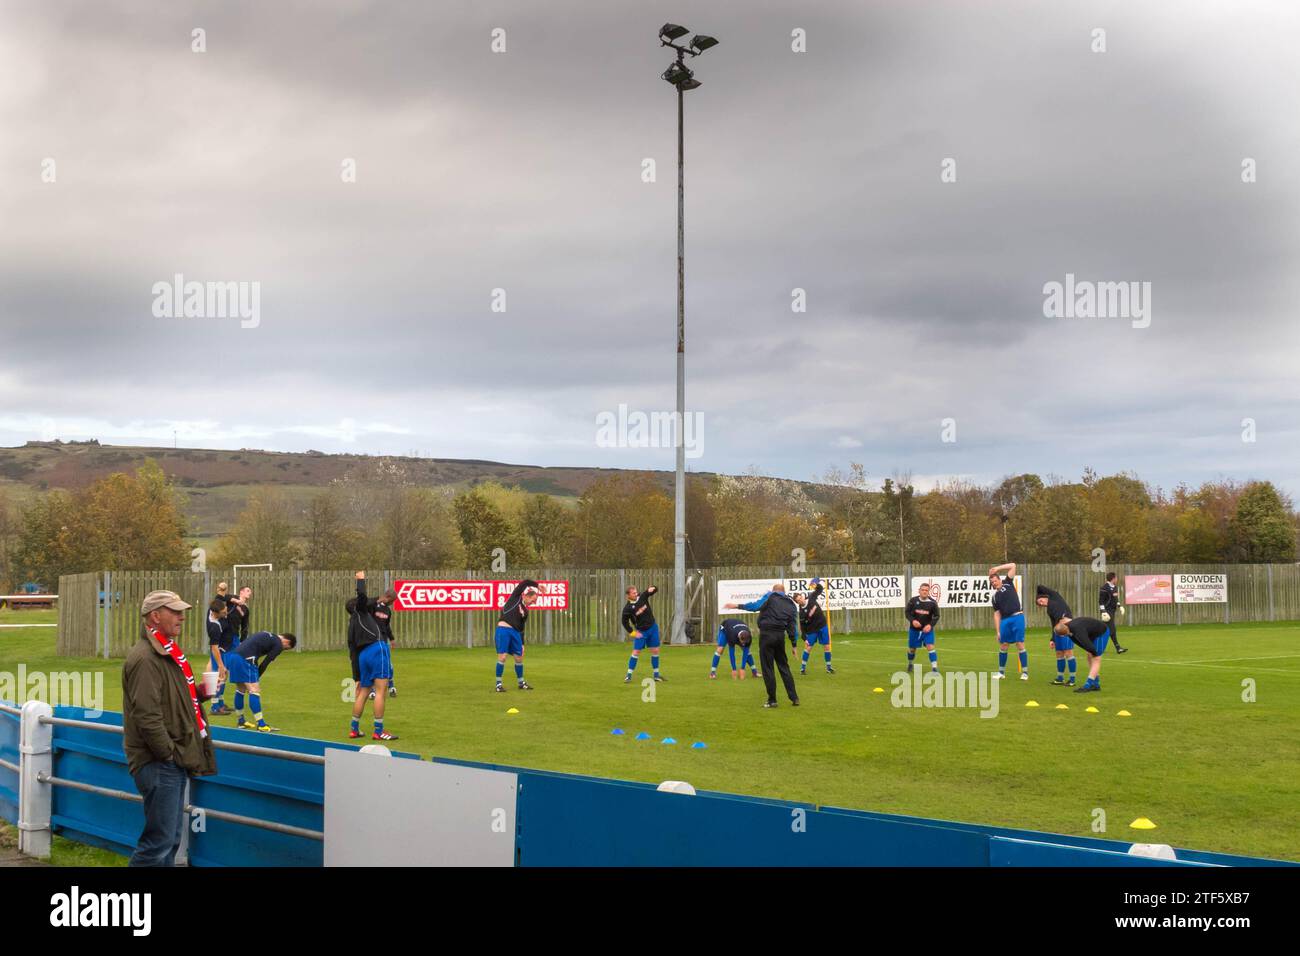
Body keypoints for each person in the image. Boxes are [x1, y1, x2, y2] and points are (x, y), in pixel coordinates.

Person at [122, 590, 217, 866]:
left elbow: (169, 700)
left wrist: (199, 693)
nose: (181, 617)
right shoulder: (147, 658)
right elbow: (147, 715)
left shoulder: (165, 652)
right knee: (158, 843)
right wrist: (169, 754)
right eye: (174, 612)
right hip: (159, 761)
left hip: (168, 759)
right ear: (155, 616)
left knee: (169, 840)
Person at [725, 583, 800, 709]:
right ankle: (794, 697)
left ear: (774, 590)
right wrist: (794, 644)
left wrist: (737, 605)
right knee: (784, 667)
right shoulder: (791, 603)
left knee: (768, 668)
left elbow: (755, 606)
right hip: (780, 636)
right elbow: (792, 626)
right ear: (784, 591)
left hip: (767, 635)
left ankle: (772, 700)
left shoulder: (770, 596)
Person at [347, 572, 398, 740]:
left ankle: (354, 729)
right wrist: (360, 580)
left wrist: (356, 676)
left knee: (363, 692)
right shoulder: (362, 611)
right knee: (381, 691)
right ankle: (378, 731)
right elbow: (362, 597)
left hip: (363, 655)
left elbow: (352, 650)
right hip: (377, 648)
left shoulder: (353, 624)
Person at [223, 629, 296, 732]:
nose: (283, 649)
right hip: (246, 659)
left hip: (234, 657)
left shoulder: (266, 634)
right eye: (286, 648)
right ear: (287, 642)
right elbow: (266, 662)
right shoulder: (278, 644)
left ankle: (241, 722)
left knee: (240, 690)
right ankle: (261, 725)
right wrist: (257, 678)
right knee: (254, 690)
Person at [495, 579, 540, 692]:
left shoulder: (526, 611)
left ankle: (521, 683)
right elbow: (525, 582)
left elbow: (521, 628)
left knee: (519, 657)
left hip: (515, 633)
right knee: (503, 657)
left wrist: (522, 644)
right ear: (527, 596)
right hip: (503, 630)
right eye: (533, 600)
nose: (534, 603)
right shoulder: (516, 598)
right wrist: (538, 586)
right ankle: (498, 684)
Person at [988, 562, 1028, 681]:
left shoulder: (1008, 582)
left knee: (1019, 644)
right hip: (1005, 621)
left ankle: (1025, 673)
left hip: (1017, 617)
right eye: (992, 582)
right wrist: (998, 631)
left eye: (995, 581)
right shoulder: (994, 597)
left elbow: (1013, 565)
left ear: (999, 579)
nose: (994, 583)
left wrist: (997, 568)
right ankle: (1001, 673)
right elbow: (997, 614)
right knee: (1003, 645)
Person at [1053, 615, 1110, 693]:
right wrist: (1089, 651)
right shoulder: (1067, 628)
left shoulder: (1077, 630)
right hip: (1092, 633)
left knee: (1096, 659)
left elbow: (1086, 644)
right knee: (1089, 656)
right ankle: (1096, 684)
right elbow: (1078, 642)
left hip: (1102, 632)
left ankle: (1087, 685)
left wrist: (1094, 653)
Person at [622, 585, 666, 683]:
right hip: (641, 632)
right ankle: (628, 675)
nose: (636, 594)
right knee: (636, 652)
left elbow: (654, 590)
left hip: (652, 628)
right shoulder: (627, 609)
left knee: (655, 650)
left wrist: (653, 588)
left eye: (636, 592)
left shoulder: (642, 596)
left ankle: (656, 675)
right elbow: (624, 622)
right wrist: (633, 633)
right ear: (628, 595)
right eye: (633, 593)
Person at [1035, 584, 1077, 686]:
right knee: (1059, 653)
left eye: (1041, 600)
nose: (1041, 603)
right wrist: (1052, 639)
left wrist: (1038, 594)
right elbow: (1053, 624)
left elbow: (1039, 586)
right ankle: (1060, 678)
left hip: (1066, 628)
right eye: (1040, 604)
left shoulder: (1054, 596)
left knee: (1068, 652)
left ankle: (1072, 680)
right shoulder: (1049, 610)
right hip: (1058, 630)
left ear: (1044, 596)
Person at [796, 579, 834, 675]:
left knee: (827, 646)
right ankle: (802, 668)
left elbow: (819, 590)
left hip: (822, 625)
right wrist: (804, 638)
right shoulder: (801, 613)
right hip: (812, 630)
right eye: (798, 600)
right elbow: (802, 627)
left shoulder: (811, 597)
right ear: (797, 602)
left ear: (802, 597)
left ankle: (829, 668)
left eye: (800, 598)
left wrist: (816, 584)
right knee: (808, 648)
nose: (800, 600)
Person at [369, 587, 399, 700]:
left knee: (387, 663)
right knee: (373, 664)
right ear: (388, 597)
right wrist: (377, 601)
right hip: (372, 640)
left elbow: (387, 626)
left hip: (383, 640)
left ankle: (391, 686)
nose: (392, 603)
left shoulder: (388, 611)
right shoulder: (373, 606)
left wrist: (392, 639)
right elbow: (365, 609)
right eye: (392, 601)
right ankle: (372, 689)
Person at [205, 599, 234, 714]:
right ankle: (214, 707)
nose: (226, 614)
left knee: (223, 677)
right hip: (220, 651)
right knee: (219, 677)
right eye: (223, 613)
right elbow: (214, 648)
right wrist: (221, 665)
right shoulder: (214, 627)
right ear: (215, 613)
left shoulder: (211, 609)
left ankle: (221, 704)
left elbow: (220, 597)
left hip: (225, 648)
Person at [904, 582, 941, 673]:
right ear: (919, 591)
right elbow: (907, 613)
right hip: (914, 630)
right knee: (912, 649)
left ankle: (934, 668)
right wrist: (913, 621)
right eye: (923, 590)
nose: (924, 592)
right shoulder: (913, 601)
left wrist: (930, 625)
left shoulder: (932, 603)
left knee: (930, 646)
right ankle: (910, 663)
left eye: (926, 590)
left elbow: (936, 616)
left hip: (927, 630)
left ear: (928, 592)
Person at [1099, 572, 1128, 653]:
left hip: (1112, 610)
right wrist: (1103, 611)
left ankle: (1097, 646)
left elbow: (1115, 599)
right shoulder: (1104, 588)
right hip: (1107, 611)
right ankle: (1117, 648)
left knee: (1105, 629)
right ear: (1113, 578)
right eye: (1116, 578)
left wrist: (1119, 606)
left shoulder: (1115, 587)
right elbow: (1101, 602)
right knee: (1112, 629)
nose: (1117, 579)